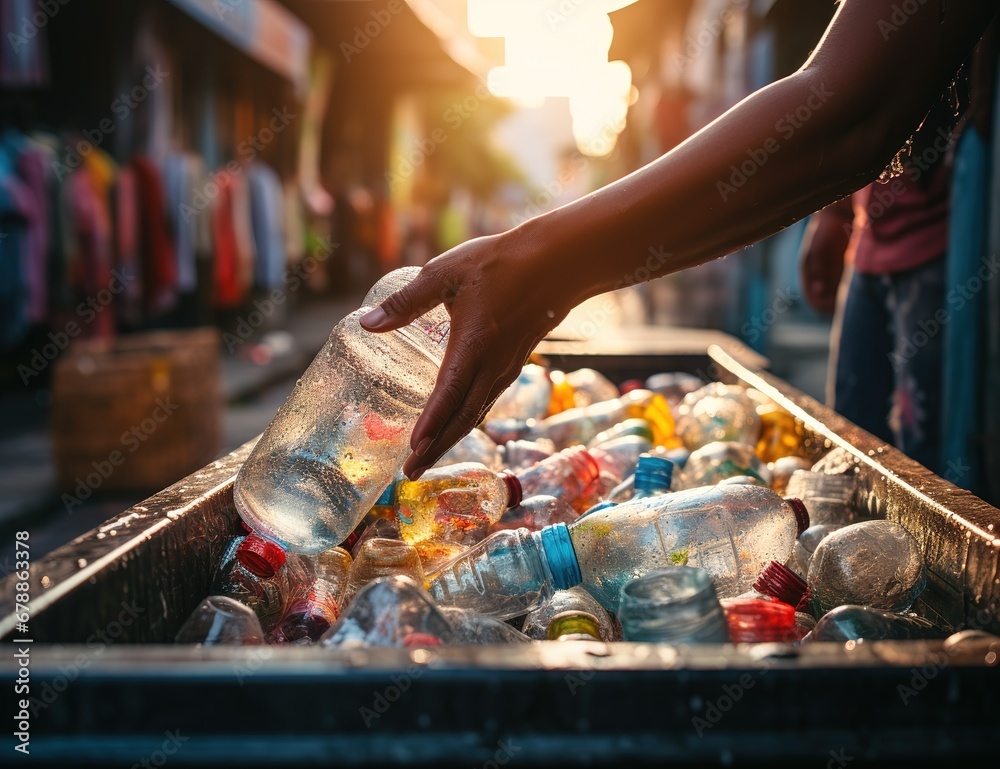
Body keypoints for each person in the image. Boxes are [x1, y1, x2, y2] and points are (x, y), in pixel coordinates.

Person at [360, 0, 1000, 481]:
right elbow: (864, 112)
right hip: (887, 226)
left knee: (948, 467)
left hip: (967, 233)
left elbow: (855, 108)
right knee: (861, 456)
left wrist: (541, 266)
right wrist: (838, 214)